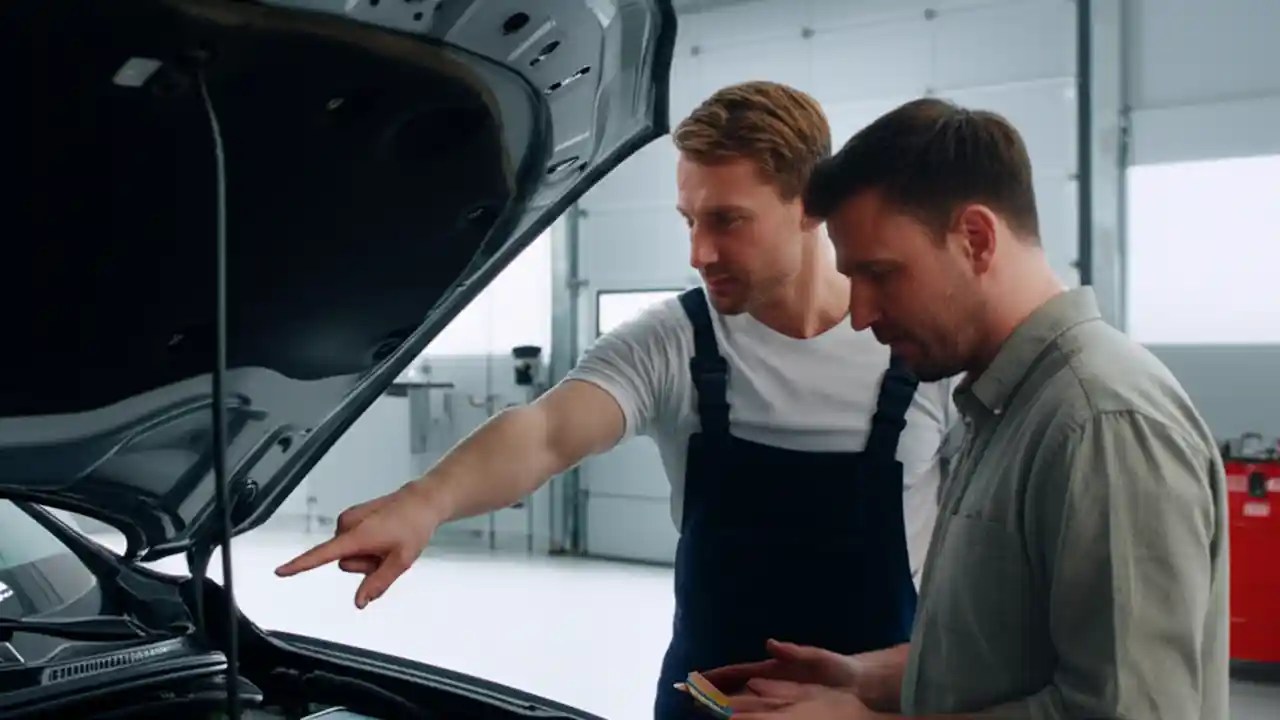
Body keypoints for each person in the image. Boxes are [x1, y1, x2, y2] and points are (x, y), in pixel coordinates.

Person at [273, 81, 958, 718]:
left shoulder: (920, 347)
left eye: (727, 221)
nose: (699, 252)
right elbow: (546, 431)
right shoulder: (674, 341)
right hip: (704, 704)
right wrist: (425, 502)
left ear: (810, 203)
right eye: (689, 220)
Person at [705, 97, 1229, 720]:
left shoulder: (1099, 421)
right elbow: (1002, 660)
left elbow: (1130, 713)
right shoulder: (1002, 408)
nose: (861, 313)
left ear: (975, 240)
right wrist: (863, 678)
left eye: (880, 274)